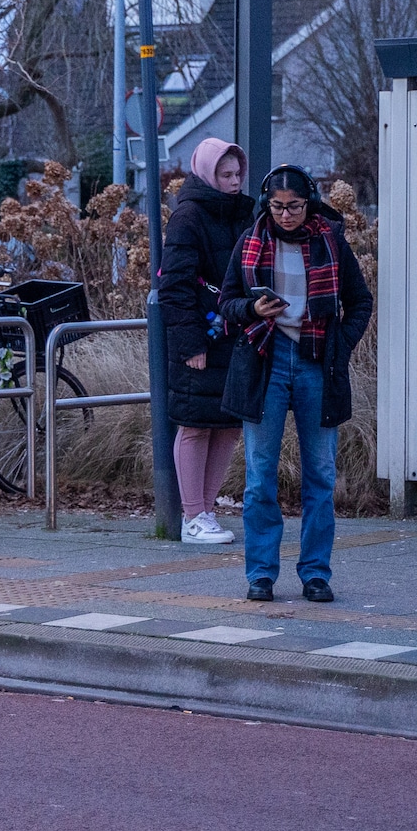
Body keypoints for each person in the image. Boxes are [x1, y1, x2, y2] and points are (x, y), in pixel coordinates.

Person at [220, 164, 373, 603]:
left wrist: (340, 346)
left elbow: (360, 301)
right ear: (266, 205)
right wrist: (253, 311)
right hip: (265, 360)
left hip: (315, 361)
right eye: (278, 207)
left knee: (321, 474)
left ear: (310, 203)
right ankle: (261, 574)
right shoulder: (250, 242)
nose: (286, 215)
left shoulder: (331, 241)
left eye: (295, 207)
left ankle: (316, 573)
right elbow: (226, 302)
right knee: (260, 475)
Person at [160, 139, 252, 546]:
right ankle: (192, 515)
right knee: (196, 423)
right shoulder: (188, 217)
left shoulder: (244, 213)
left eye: (237, 175)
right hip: (203, 333)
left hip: (234, 331)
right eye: (225, 175)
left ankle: (207, 510)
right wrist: (190, 343)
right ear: (207, 174)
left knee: (228, 424)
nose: (233, 183)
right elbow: (174, 286)